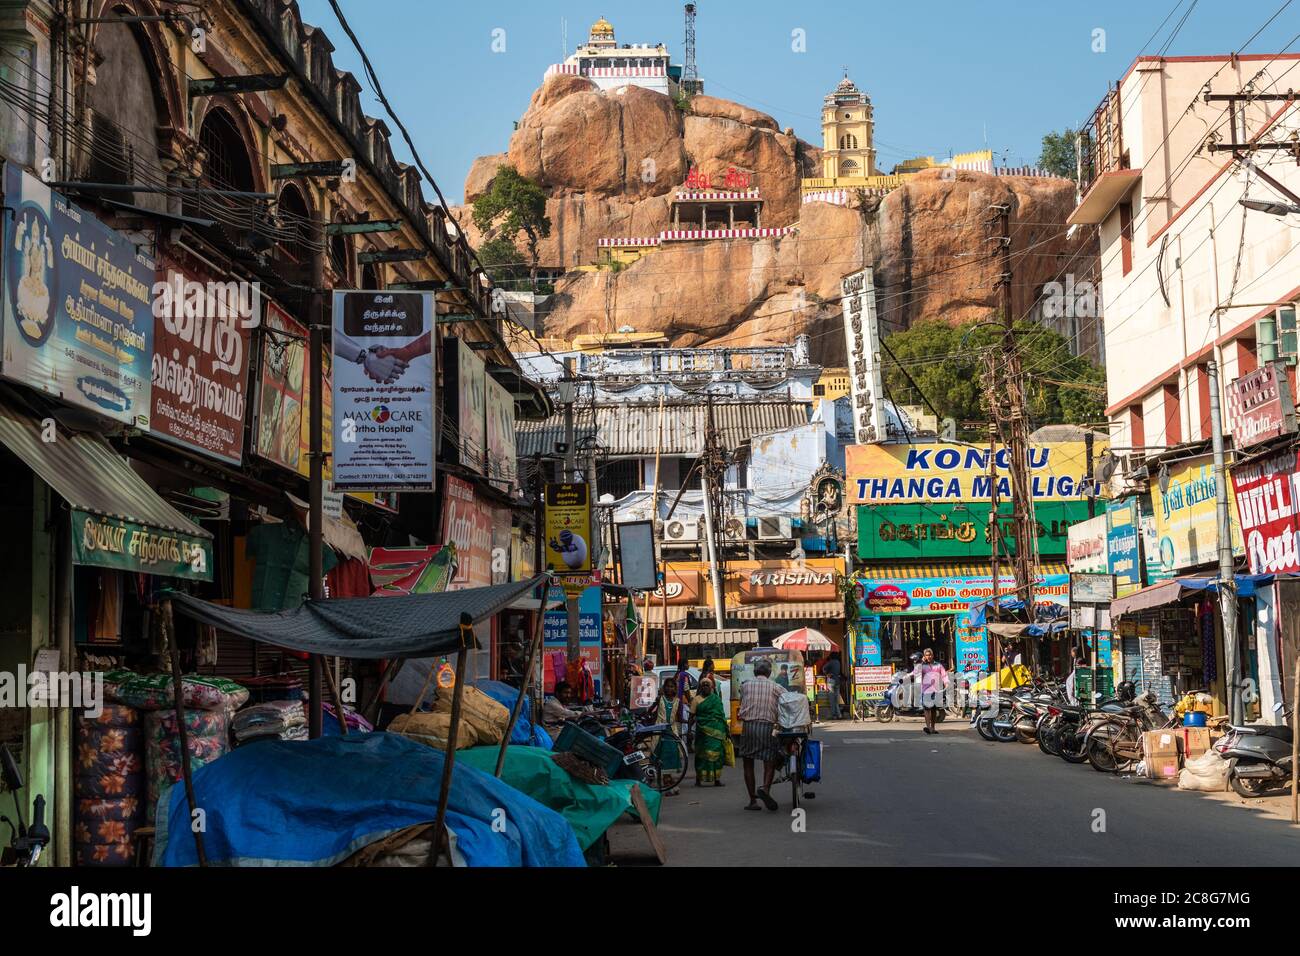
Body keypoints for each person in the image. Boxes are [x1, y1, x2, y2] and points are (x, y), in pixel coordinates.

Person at [738, 660, 784, 811]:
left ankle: (753, 800)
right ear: (769, 673)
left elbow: (742, 700)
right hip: (767, 727)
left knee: (748, 763)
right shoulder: (776, 687)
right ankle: (765, 789)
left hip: (749, 726)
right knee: (769, 761)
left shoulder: (745, 685)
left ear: (754, 672)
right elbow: (787, 700)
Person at [652, 677, 686, 796]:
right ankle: (668, 785)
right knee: (662, 756)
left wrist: (689, 722)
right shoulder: (660, 699)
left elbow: (679, 718)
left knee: (672, 755)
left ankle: (670, 783)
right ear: (664, 687)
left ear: (675, 688)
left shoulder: (677, 701)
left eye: (672, 686)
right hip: (660, 731)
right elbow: (652, 711)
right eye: (667, 686)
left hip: (671, 731)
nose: (669, 688)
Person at [691, 676, 728, 787]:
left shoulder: (716, 699)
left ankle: (716, 779)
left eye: (708, 685)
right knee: (701, 755)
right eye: (704, 685)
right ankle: (699, 779)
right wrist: (688, 731)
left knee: (717, 755)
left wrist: (727, 730)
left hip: (718, 730)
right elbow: (691, 716)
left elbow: (722, 715)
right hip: (702, 732)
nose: (706, 687)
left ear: (711, 687)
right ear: (701, 687)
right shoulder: (696, 700)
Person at [917, 647, 949, 735]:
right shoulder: (922, 666)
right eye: (927, 655)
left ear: (933, 655)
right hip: (926, 690)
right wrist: (921, 662)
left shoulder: (938, 665)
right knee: (927, 709)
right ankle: (928, 727)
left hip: (936, 690)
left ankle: (933, 727)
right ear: (924, 656)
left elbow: (944, 675)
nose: (929, 657)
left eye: (930, 655)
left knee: (934, 710)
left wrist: (946, 683)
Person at [822, 653, 843, 719]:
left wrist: (827, 674)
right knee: (836, 700)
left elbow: (824, 668)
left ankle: (834, 715)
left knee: (832, 699)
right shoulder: (838, 662)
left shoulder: (830, 662)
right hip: (837, 681)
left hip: (831, 681)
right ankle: (839, 715)